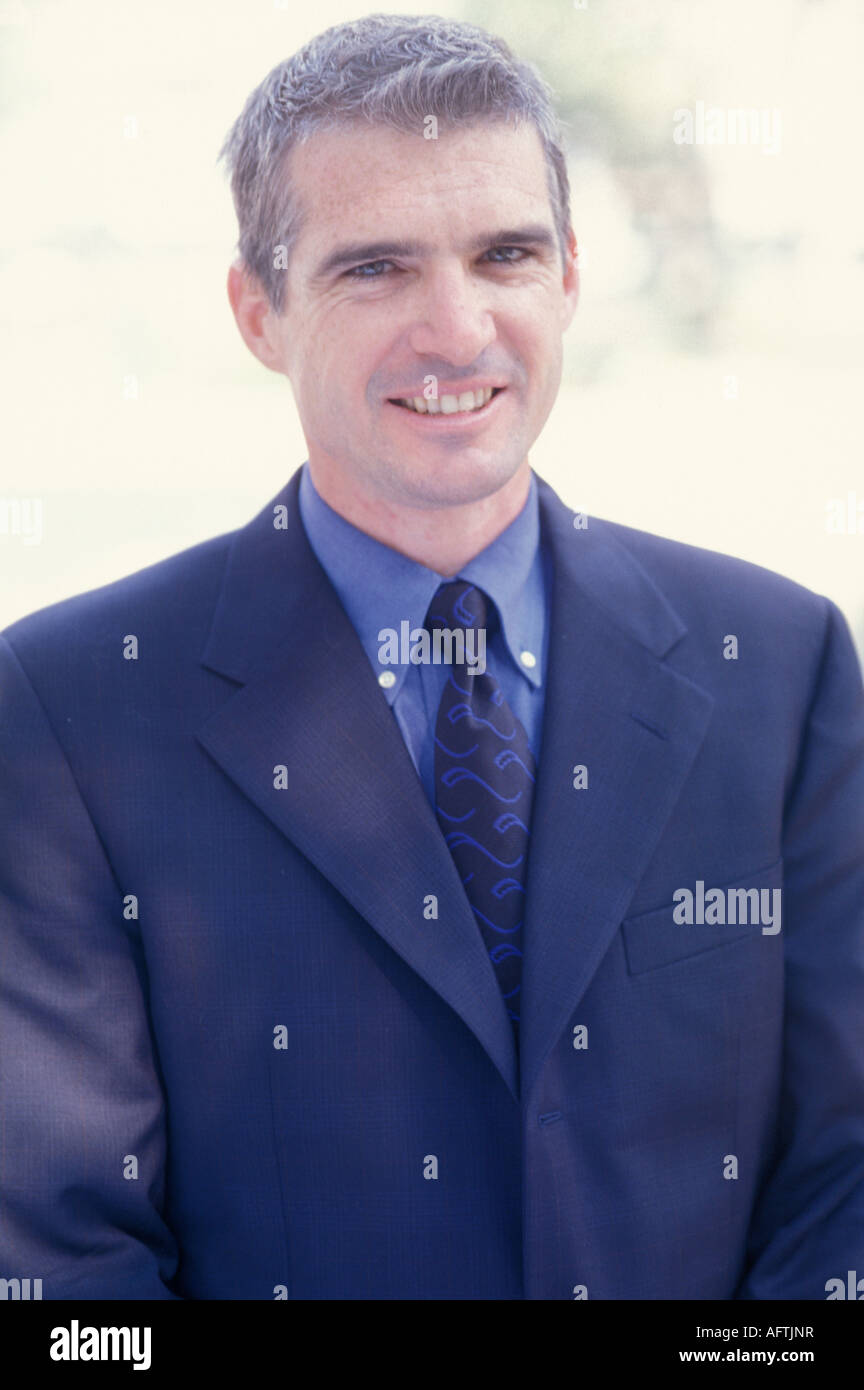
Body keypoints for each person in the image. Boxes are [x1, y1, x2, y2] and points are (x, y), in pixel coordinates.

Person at [1, 14, 862, 1301]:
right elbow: (62, 1270)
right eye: (376, 270)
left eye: (503, 253)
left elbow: (843, 1178)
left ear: (568, 275)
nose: (456, 331)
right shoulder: (67, 708)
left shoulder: (782, 668)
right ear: (258, 310)